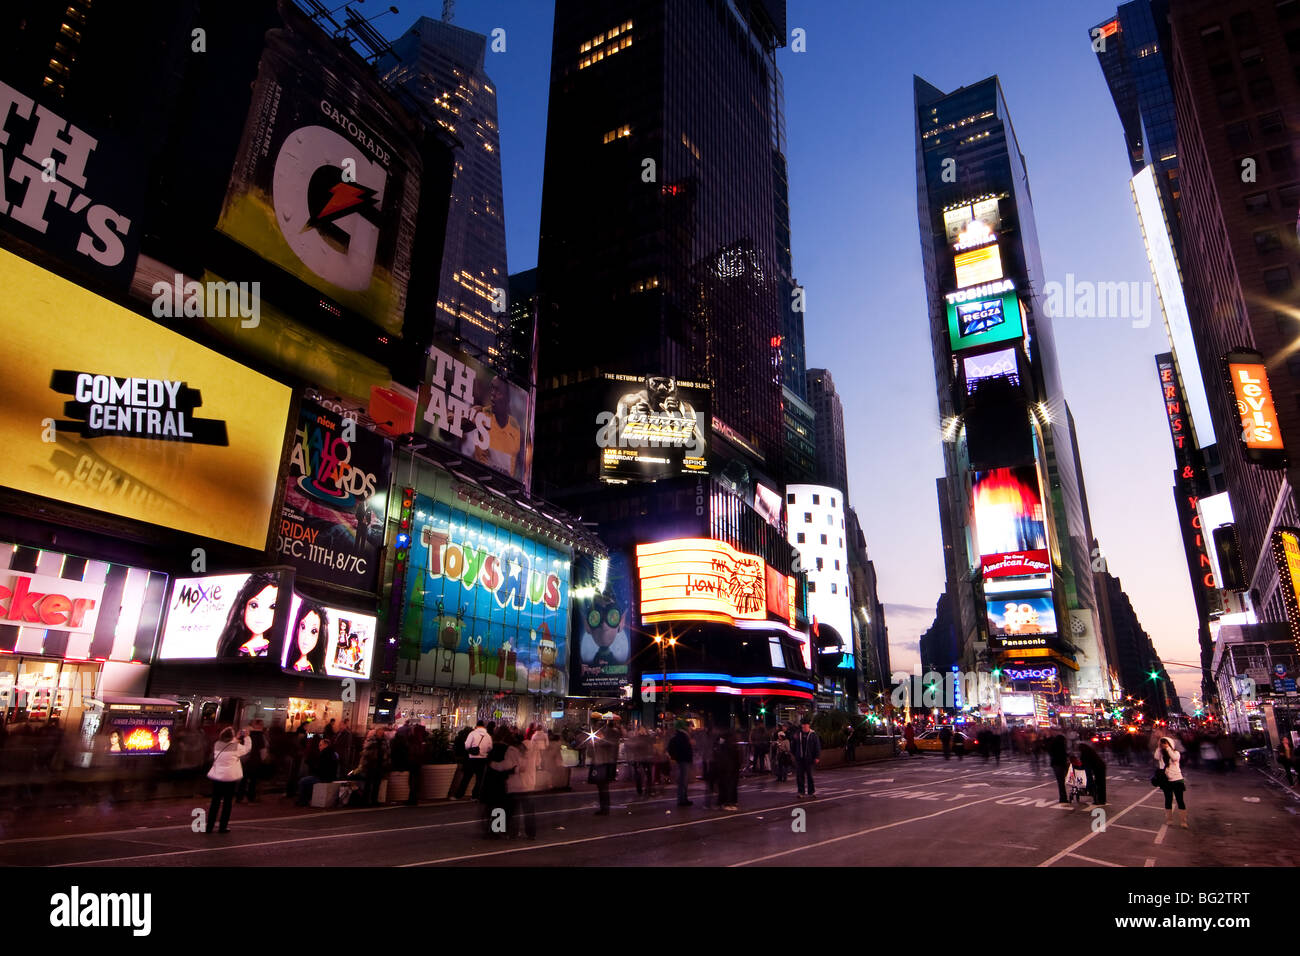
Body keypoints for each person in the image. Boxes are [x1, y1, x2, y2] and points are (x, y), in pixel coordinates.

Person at [216, 572, 280, 658]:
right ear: (243, 608)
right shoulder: (242, 652)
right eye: (254, 605)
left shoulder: (273, 646)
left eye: (272, 606)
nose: (261, 615)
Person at [491, 730, 537, 839]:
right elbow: (537, 763)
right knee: (529, 812)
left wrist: (492, 765)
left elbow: (507, 765)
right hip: (529, 785)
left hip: (515, 786)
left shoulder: (512, 751)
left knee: (511, 811)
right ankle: (531, 834)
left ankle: (512, 833)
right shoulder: (532, 752)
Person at [206, 727, 251, 833]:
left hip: (217, 777)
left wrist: (236, 737)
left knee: (215, 802)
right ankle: (223, 826)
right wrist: (247, 736)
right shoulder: (236, 747)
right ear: (232, 736)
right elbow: (247, 749)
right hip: (230, 778)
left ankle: (209, 826)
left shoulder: (217, 744)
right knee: (227, 803)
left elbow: (228, 745)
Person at [584, 720, 621, 815]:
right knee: (601, 787)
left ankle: (605, 809)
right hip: (599, 763)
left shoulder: (608, 738)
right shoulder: (598, 739)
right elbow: (590, 753)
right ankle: (604, 808)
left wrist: (597, 743)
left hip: (604, 763)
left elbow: (610, 746)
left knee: (603, 787)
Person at [286, 600, 329, 673]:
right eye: (303, 627)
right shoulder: (290, 665)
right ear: (297, 628)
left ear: (320, 636)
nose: (306, 638)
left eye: (313, 631)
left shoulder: (317, 670)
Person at [296, 737, 340, 806]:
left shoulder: (324, 754)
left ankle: (302, 801)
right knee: (308, 780)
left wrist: (310, 765)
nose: (319, 747)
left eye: (320, 745)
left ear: (326, 745)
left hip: (323, 778)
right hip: (330, 777)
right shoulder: (333, 754)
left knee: (302, 781)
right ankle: (307, 799)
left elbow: (320, 769)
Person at [1155, 735, 1188, 828]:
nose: (1163, 745)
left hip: (1177, 779)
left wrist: (1168, 748)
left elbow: (1174, 758)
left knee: (1180, 800)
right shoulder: (1161, 754)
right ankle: (1169, 820)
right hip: (1166, 780)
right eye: (1162, 743)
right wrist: (1159, 747)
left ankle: (1183, 821)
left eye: (1165, 743)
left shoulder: (1176, 752)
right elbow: (1156, 757)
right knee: (1168, 799)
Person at [455, 720, 492, 800]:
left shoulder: (472, 734)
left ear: (477, 726)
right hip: (483, 759)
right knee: (479, 779)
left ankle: (459, 795)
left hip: (472, 759)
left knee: (466, 778)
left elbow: (467, 745)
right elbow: (490, 747)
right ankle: (475, 796)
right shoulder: (488, 736)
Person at [236, 719, 269, 803]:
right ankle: (251, 797)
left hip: (243, 760)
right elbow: (263, 749)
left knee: (243, 779)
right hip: (255, 760)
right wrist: (264, 759)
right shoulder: (260, 735)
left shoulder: (243, 733)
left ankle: (240, 797)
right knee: (253, 780)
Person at [358, 726, 390, 806]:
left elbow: (387, 751)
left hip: (380, 764)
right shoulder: (372, 740)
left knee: (377, 783)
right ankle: (365, 800)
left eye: (382, 732)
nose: (380, 733)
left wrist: (385, 759)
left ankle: (374, 800)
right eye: (379, 731)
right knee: (368, 783)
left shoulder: (385, 741)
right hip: (371, 764)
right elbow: (365, 751)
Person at [791, 720, 821, 798]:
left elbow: (817, 746)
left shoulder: (813, 735)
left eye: (805, 725)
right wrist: (795, 754)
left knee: (810, 776)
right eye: (803, 726)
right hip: (800, 759)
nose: (804, 727)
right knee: (799, 776)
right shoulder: (797, 734)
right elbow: (793, 745)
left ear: (808, 726)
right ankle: (801, 792)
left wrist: (817, 757)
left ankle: (811, 792)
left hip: (809, 759)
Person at [668, 719, 694, 806]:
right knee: (683, 780)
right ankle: (682, 800)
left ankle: (683, 798)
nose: (691, 728)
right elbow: (681, 748)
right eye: (690, 726)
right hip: (684, 760)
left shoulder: (682, 735)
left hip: (683, 759)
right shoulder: (682, 735)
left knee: (684, 780)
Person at [714, 729, 741, 811]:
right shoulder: (729, 742)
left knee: (725, 784)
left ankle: (724, 802)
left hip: (726, 765)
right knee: (729, 784)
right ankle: (728, 802)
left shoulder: (722, 740)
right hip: (728, 766)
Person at [1079, 742, 1107, 806]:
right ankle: (1101, 799)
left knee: (1100, 784)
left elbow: (1087, 766)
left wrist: (1089, 779)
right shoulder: (1089, 751)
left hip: (1099, 768)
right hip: (1100, 767)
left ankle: (1101, 800)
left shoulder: (1085, 754)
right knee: (1101, 784)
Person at [1048, 731, 1070, 804]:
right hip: (1061, 764)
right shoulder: (1061, 747)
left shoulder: (1052, 746)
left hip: (1055, 764)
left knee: (1060, 782)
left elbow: (1050, 752)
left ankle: (1063, 797)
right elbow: (1064, 755)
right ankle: (1063, 798)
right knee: (1062, 781)